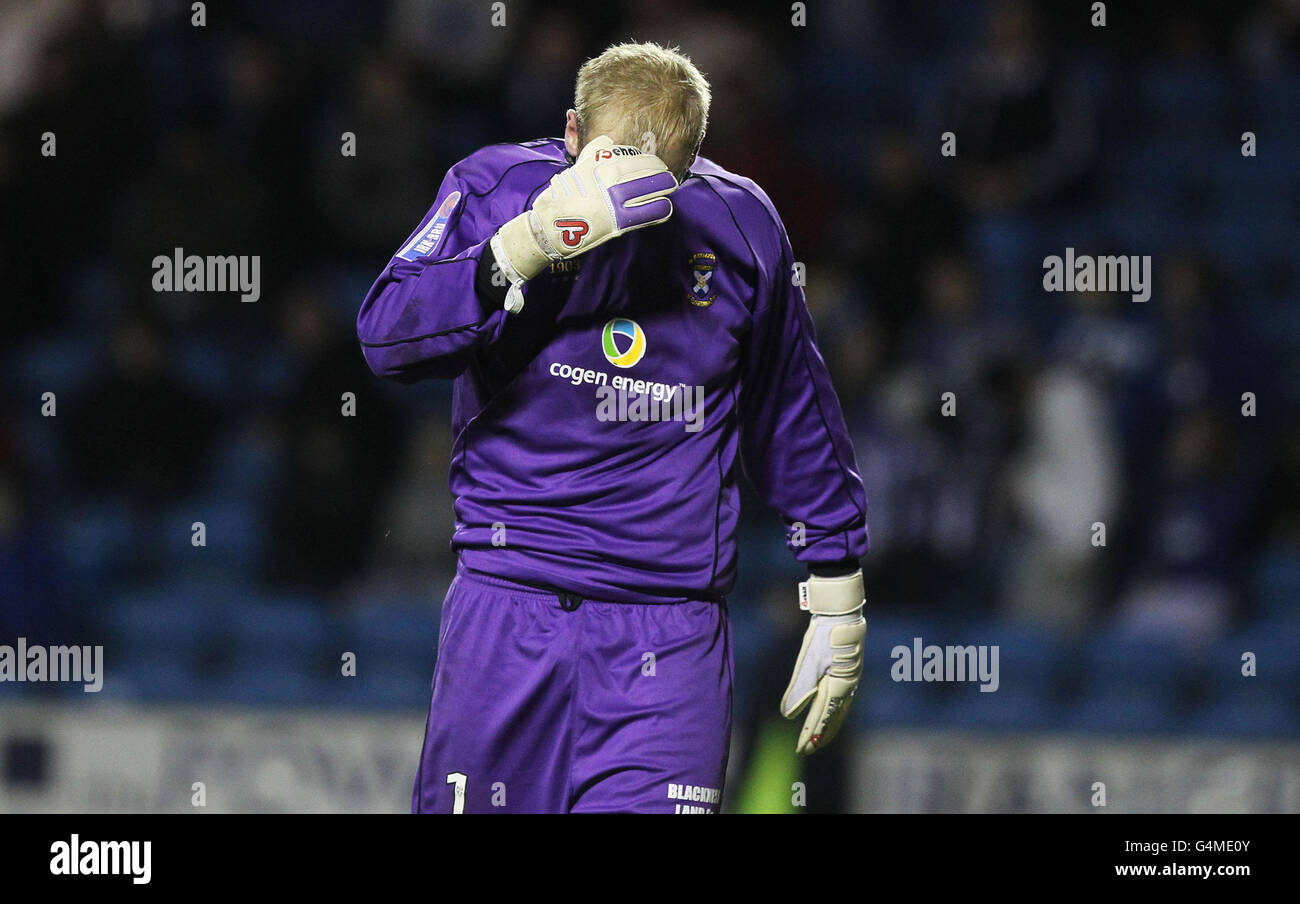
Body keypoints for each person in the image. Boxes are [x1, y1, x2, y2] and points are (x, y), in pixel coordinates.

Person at [357, 42, 869, 814]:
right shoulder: (496, 188)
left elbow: (790, 410)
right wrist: (523, 246)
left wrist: (837, 588)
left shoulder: (743, 228)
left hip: (667, 634)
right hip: (510, 608)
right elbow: (387, 337)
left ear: (692, 163)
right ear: (570, 133)